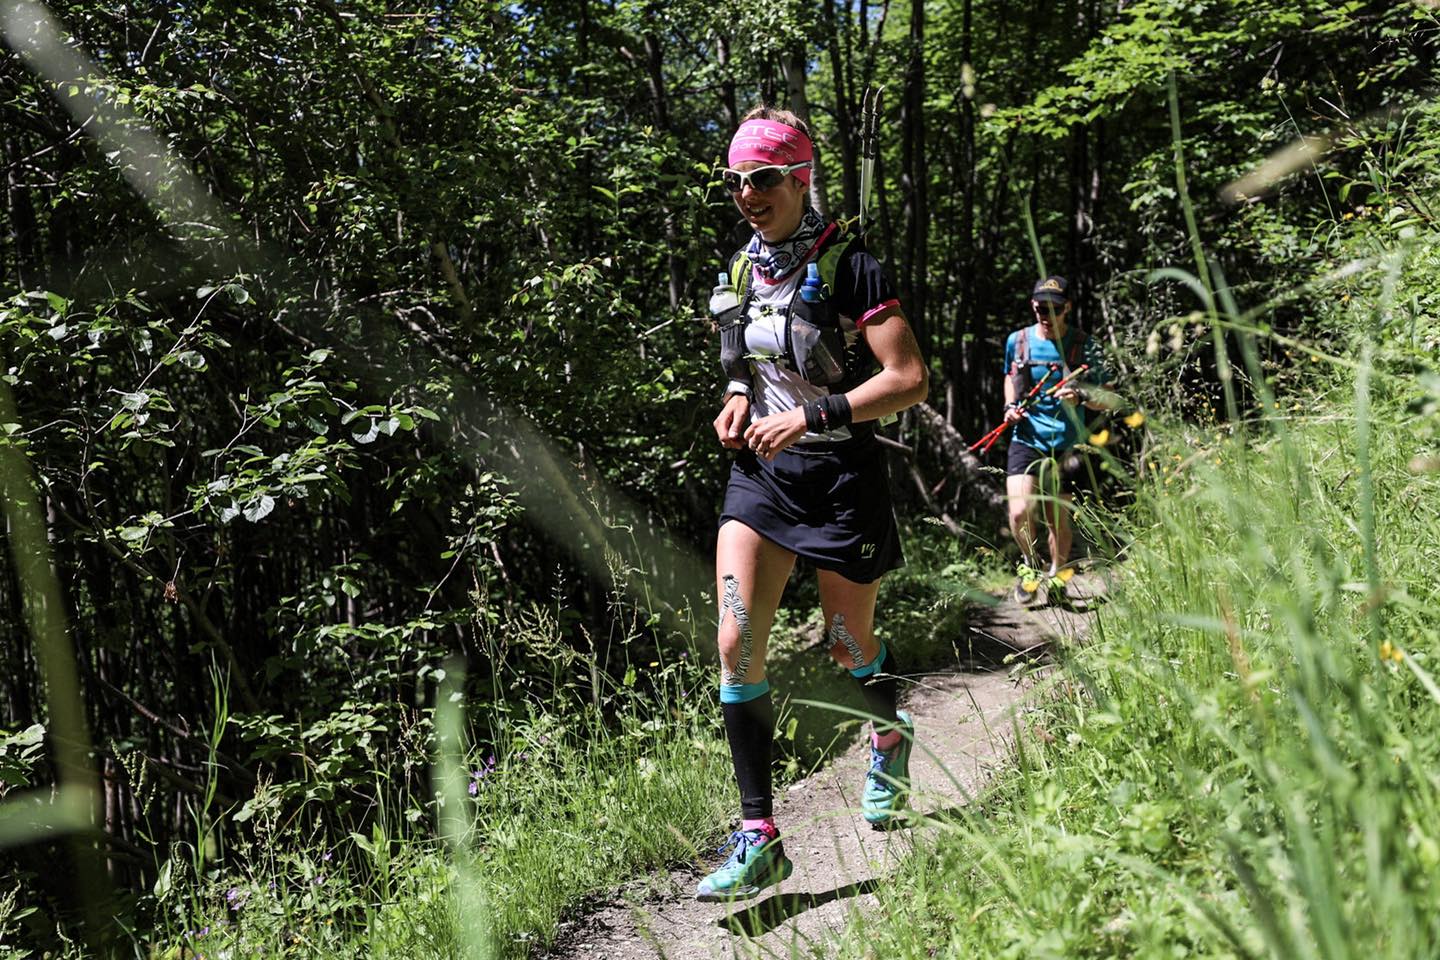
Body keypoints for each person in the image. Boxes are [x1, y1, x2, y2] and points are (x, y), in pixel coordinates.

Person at [698, 106, 929, 901]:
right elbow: (745, 362)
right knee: (735, 641)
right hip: (761, 478)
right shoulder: (741, 269)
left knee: (842, 643)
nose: (747, 195)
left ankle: (889, 737)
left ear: (800, 179)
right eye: (737, 182)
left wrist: (813, 415)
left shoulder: (852, 265)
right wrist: (737, 399)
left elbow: (907, 379)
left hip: (837, 479)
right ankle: (759, 834)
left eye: (763, 179)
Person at [1001, 276, 1113, 606]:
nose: (1047, 317)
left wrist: (1081, 395)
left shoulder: (1085, 345)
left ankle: (1058, 575)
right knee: (1020, 511)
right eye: (1040, 309)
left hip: (1067, 443)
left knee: (1057, 519)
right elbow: (1010, 376)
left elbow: (1107, 397)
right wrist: (1010, 407)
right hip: (1027, 437)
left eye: (1055, 309)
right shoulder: (1018, 340)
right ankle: (1029, 566)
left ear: (1068, 309)